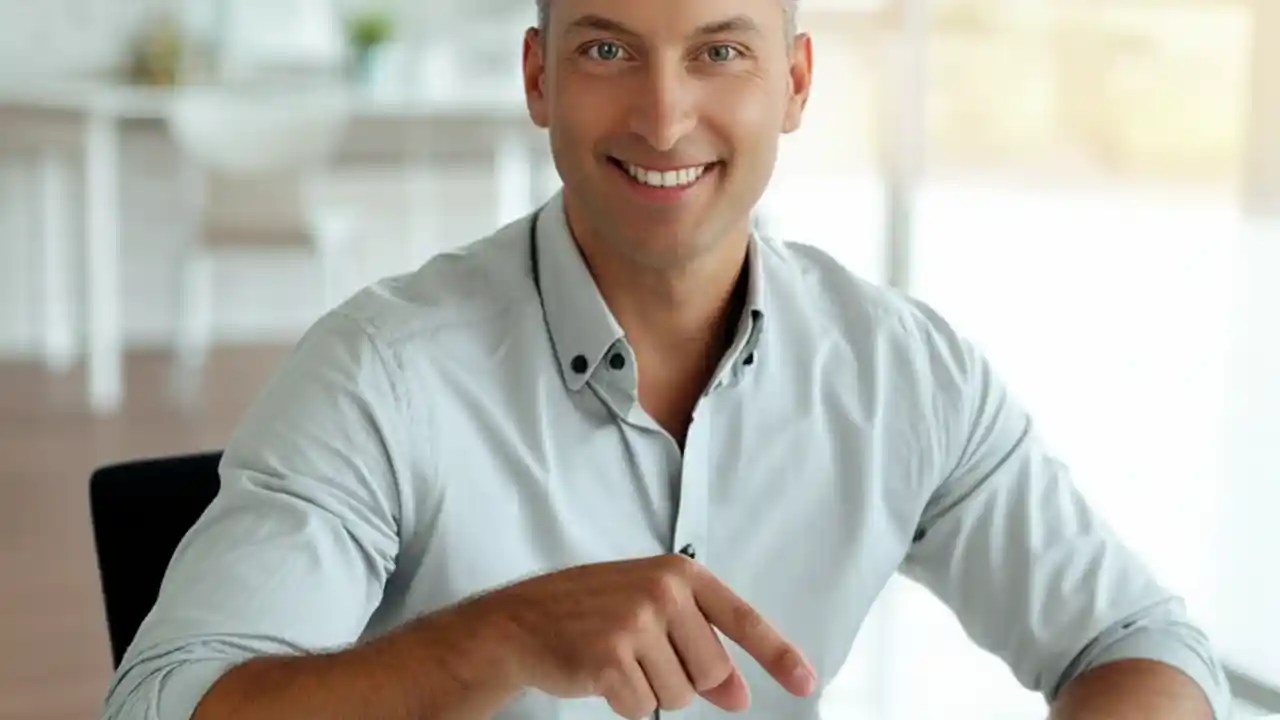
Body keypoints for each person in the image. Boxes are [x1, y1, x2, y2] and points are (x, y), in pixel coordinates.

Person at [102, 1, 1230, 718]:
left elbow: (1134, 640)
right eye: (607, 49)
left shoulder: (903, 372)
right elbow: (163, 708)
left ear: (792, 84)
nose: (662, 113)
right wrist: (501, 636)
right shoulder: (380, 372)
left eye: (718, 51)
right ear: (538, 77)